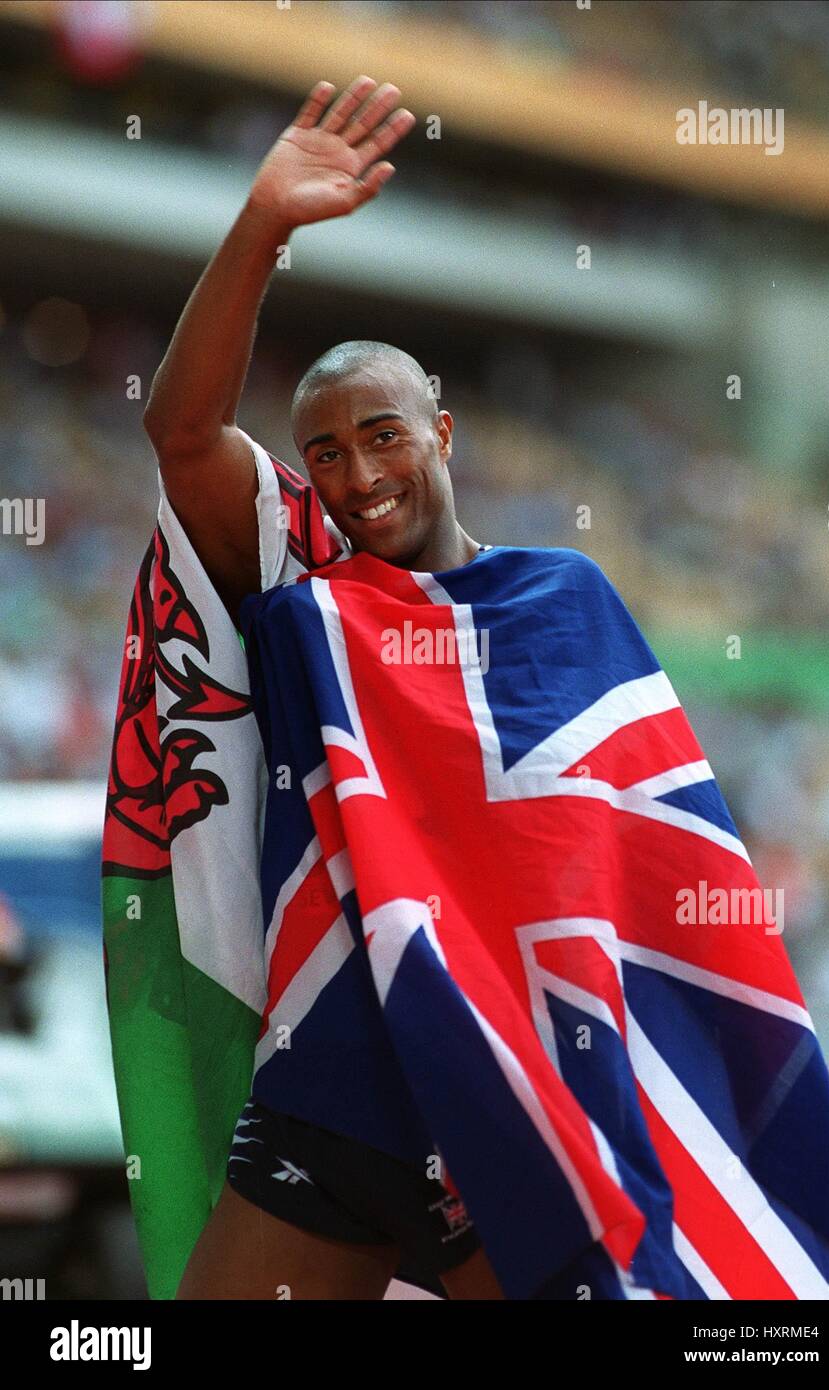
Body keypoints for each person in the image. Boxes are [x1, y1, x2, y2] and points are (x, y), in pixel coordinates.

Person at [143, 74, 504, 1300]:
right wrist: (262, 229)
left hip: (495, 1080)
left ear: (442, 433)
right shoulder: (299, 600)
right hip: (329, 1080)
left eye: (384, 435)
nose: (357, 476)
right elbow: (184, 434)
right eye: (326, 454)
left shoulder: (549, 603)